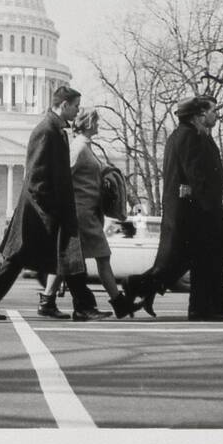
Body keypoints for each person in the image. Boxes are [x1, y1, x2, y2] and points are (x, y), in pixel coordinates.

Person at [0, 86, 104, 321]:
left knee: (62, 255)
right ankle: (81, 306)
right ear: (63, 105)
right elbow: (36, 175)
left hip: (48, 207)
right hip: (42, 209)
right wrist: (49, 208)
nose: (77, 111)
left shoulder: (56, 129)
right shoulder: (47, 130)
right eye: (75, 106)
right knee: (56, 256)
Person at [129, 95, 223, 320]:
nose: (216, 114)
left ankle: (218, 303)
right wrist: (210, 206)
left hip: (197, 207)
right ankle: (199, 307)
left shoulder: (193, 135)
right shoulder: (189, 137)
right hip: (195, 210)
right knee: (192, 260)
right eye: (212, 111)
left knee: (213, 256)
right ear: (199, 116)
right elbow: (196, 176)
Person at [41, 107, 130, 318]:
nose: (99, 125)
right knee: (102, 257)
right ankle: (118, 303)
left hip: (88, 212)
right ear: (89, 124)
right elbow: (63, 176)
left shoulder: (85, 146)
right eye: (96, 122)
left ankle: (47, 300)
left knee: (67, 260)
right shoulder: (79, 148)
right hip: (83, 214)